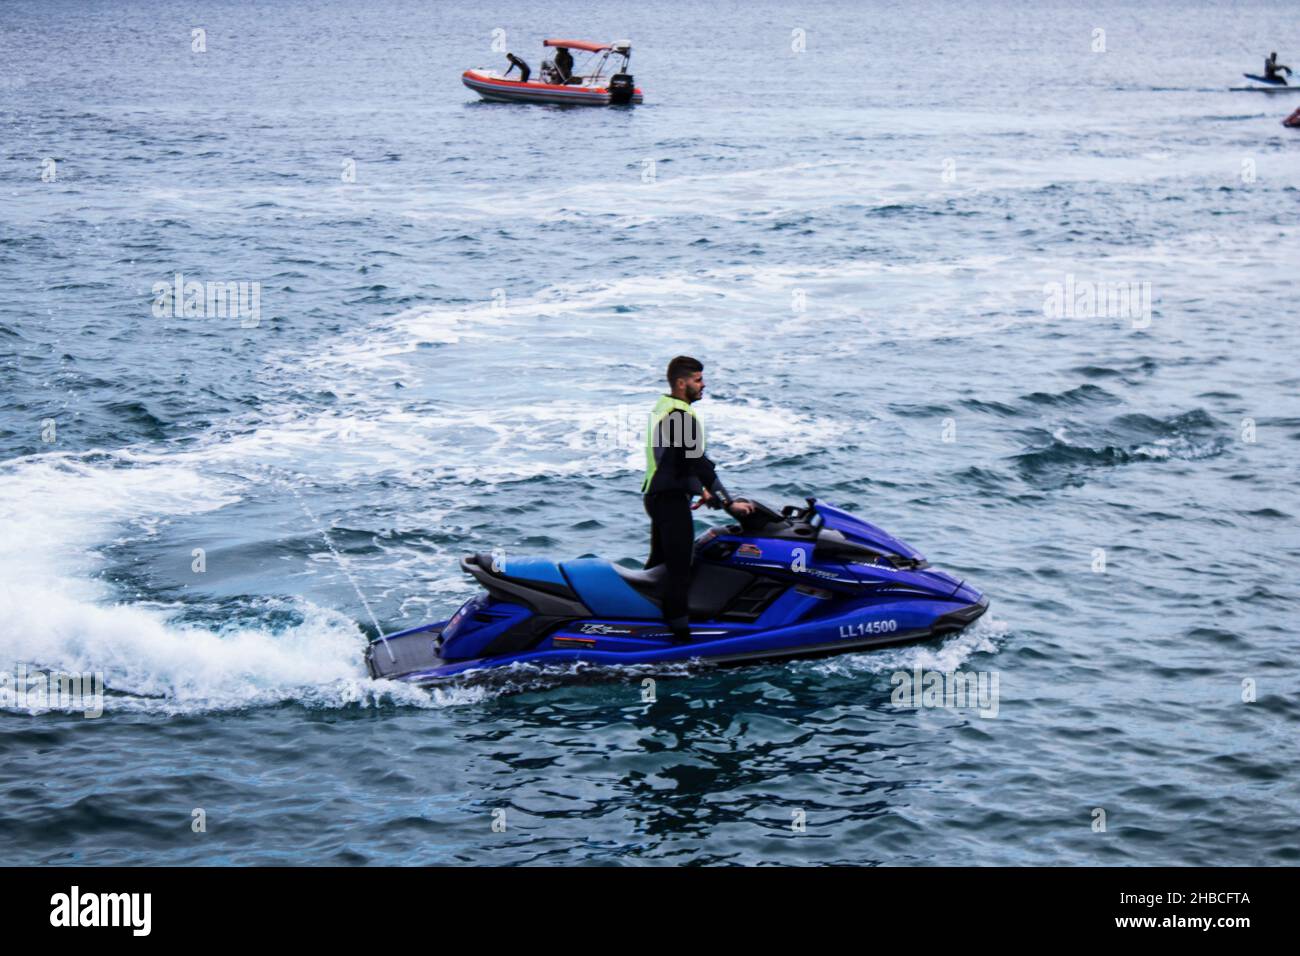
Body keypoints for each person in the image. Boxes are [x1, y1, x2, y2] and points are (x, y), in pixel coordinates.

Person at [641, 356, 753, 642]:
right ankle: (680, 637)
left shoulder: (665, 407)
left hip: (659, 496)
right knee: (681, 569)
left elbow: (677, 461)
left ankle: (641, 621)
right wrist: (730, 504)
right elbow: (700, 463)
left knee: (659, 565)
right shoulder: (680, 415)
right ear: (682, 383)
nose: (703, 385)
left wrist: (699, 490)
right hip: (668, 500)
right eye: (698, 380)